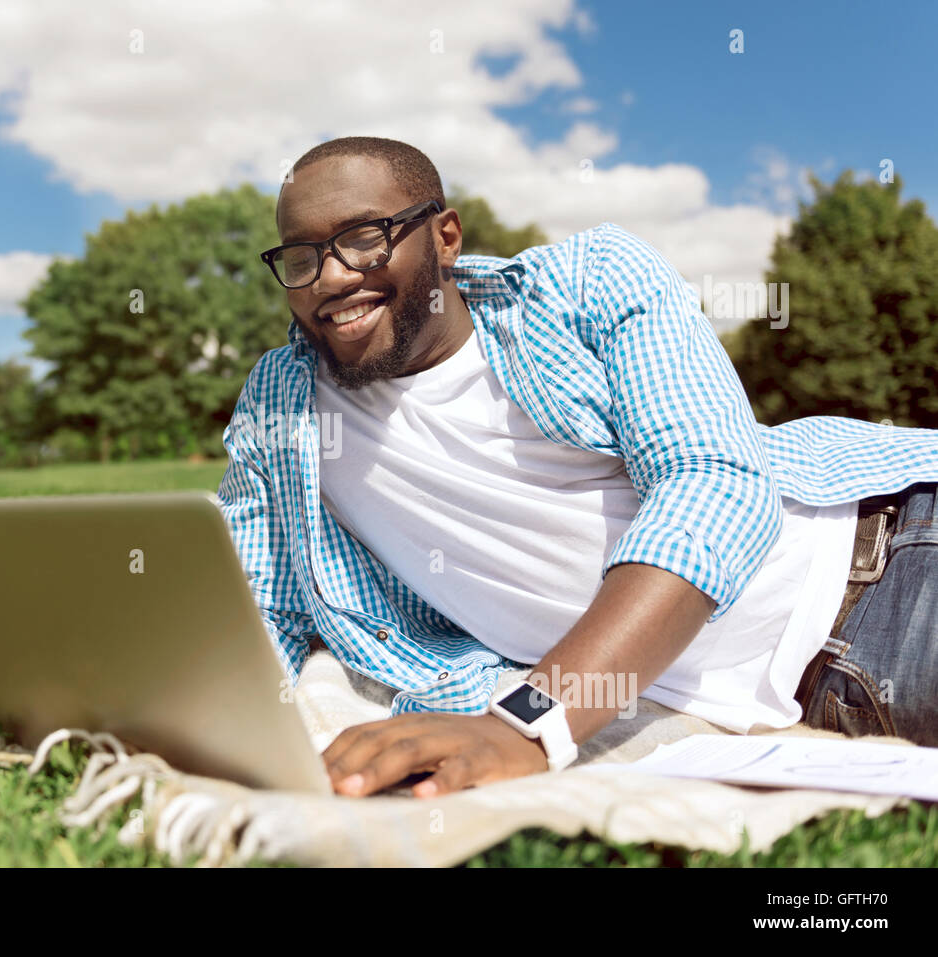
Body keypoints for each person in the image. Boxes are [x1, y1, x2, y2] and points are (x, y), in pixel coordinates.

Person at [217, 135, 938, 799]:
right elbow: (257, 601)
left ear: (444, 237)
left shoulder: (589, 283)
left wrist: (529, 722)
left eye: (364, 240)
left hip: (891, 570)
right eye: (303, 257)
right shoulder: (280, 404)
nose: (331, 279)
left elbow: (711, 483)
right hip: (808, 706)